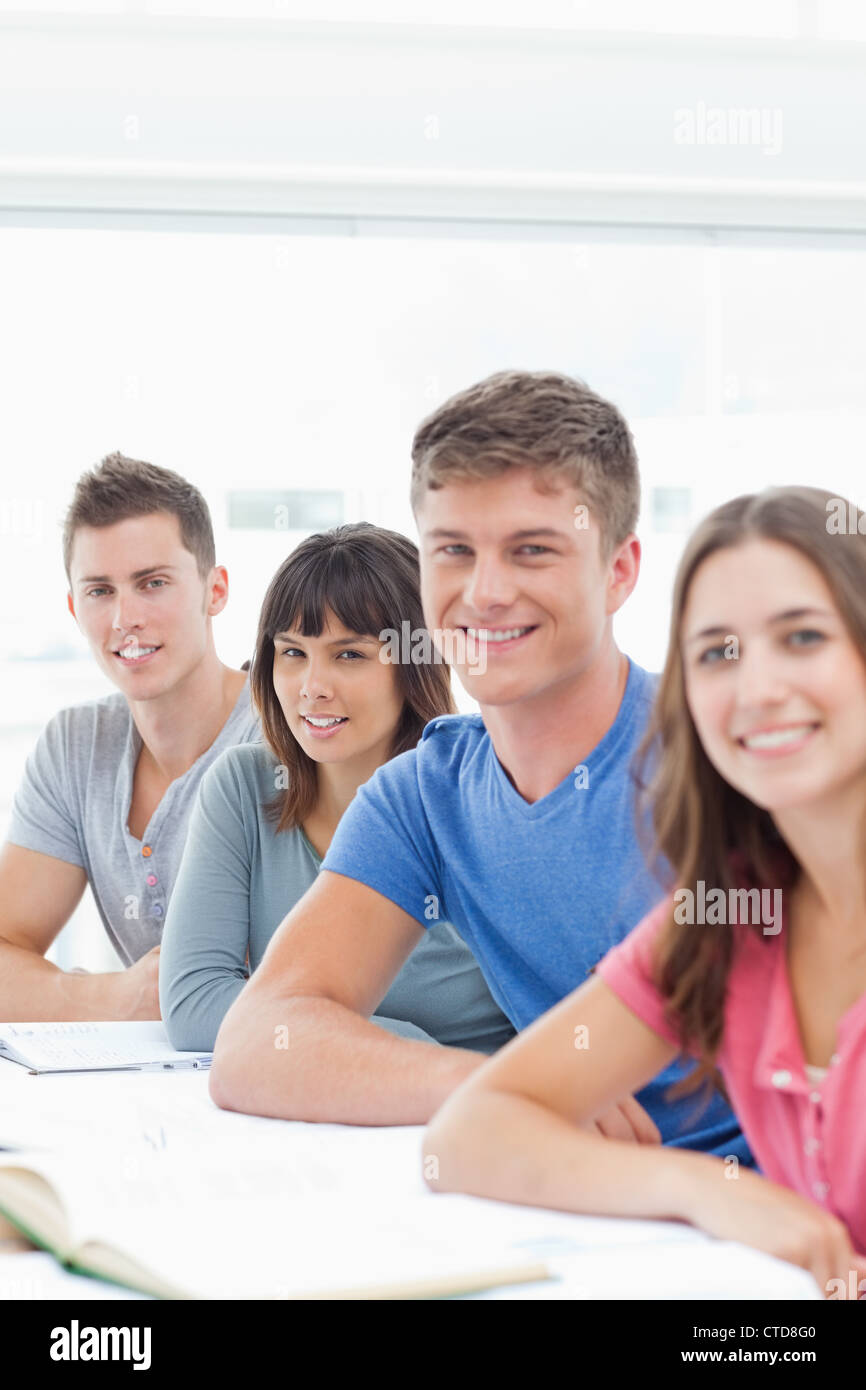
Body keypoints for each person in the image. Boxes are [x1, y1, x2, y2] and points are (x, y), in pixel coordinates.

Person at [209, 368, 750, 1164]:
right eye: (455, 551)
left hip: (783, 1210)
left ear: (620, 571)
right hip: (587, 1201)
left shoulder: (727, 751)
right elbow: (257, 1042)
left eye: (532, 550)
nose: (486, 592)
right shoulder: (424, 795)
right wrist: (499, 1087)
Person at [423, 485, 866, 1296]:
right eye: (717, 652)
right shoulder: (730, 919)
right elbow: (467, 1137)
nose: (758, 687)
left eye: (802, 637)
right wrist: (703, 1189)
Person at [160, 523, 515, 1056]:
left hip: (473, 1115)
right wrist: (404, 1046)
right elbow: (196, 1003)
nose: (312, 687)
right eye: (293, 653)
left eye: (349, 655)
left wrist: (306, 1023)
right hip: (334, 1112)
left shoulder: (486, 798)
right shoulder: (243, 788)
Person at [0, 452, 256, 1020]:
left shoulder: (288, 735)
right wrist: (120, 996)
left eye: (153, 583)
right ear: (73, 606)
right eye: (99, 591)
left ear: (215, 591)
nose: (125, 619)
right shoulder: (76, 745)